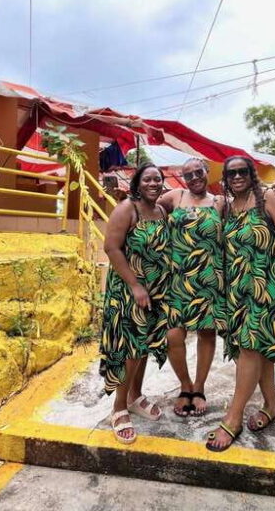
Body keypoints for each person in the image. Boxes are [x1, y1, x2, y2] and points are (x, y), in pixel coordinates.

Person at [206, 155, 275, 452]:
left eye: (242, 171)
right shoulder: (227, 207)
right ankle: (271, 405)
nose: (236, 177)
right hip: (237, 289)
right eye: (231, 173)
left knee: (250, 348)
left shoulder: (268, 198)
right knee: (259, 351)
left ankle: (233, 418)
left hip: (268, 285)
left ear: (252, 174)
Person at [100, 163, 170, 444]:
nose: (154, 183)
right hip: (130, 289)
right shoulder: (126, 209)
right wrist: (135, 285)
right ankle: (119, 407)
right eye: (148, 179)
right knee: (129, 347)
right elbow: (111, 248)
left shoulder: (161, 210)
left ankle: (135, 396)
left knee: (144, 345)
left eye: (158, 179)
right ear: (138, 183)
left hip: (155, 290)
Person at [159, 158, 225, 417]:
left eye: (199, 172)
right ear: (183, 178)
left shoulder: (219, 203)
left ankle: (198, 388)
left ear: (207, 173)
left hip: (209, 277)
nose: (195, 177)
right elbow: (148, 208)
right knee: (174, 335)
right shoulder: (176, 195)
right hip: (177, 278)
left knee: (207, 334)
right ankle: (184, 386)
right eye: (189, 174)